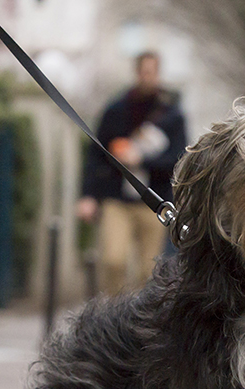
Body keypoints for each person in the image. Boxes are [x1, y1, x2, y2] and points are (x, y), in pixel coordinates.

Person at [78, 51, 187, 295]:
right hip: (116, 198)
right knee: (113, 260)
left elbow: (179, 158)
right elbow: (95, 154)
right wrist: (88, 195)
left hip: (154, 201)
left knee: (147, 271)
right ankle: (113, 314)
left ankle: (139, 323)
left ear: (158, 74)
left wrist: (143, 160)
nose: (147, 77)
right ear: (136, 72)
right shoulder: (116, 111)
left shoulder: (172, 116)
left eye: (152, 72)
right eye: (143, 71)